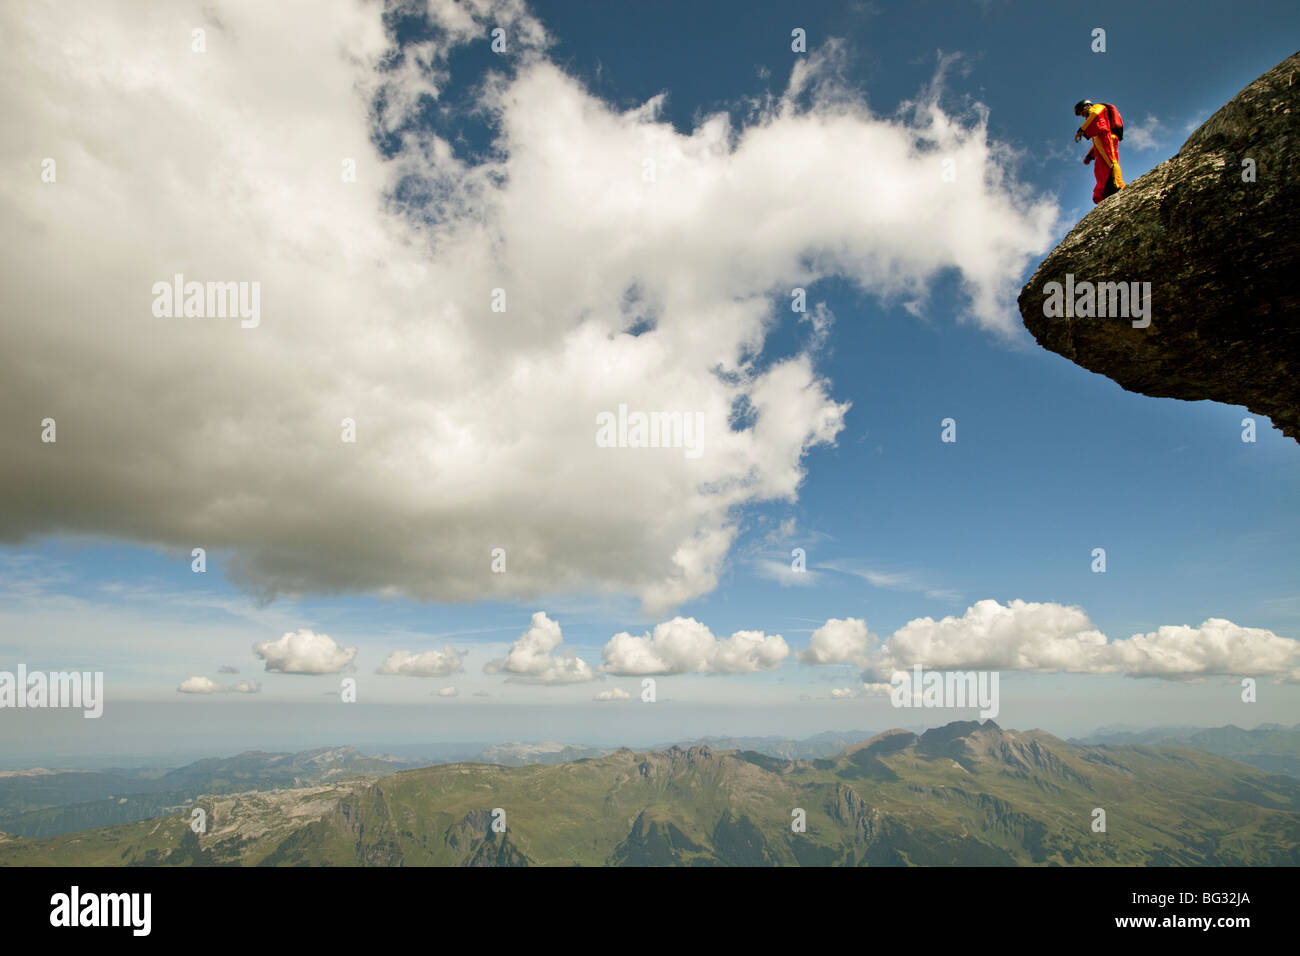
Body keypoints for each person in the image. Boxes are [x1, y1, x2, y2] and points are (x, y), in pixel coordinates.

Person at [1074, 99, 1125, 204]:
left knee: (1111, 162)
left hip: (1108, 138)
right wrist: (1089, 156)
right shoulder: (1093, 118)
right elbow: (1097, 144)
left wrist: (1082, 129)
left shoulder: (1097, 107)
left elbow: (1096, 114)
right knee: (1101, 170)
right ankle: (1107, 190)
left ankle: (1117, 184)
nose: (1082, 115)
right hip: (1102, 141)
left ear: (1087, 105)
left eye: (1081, 111)